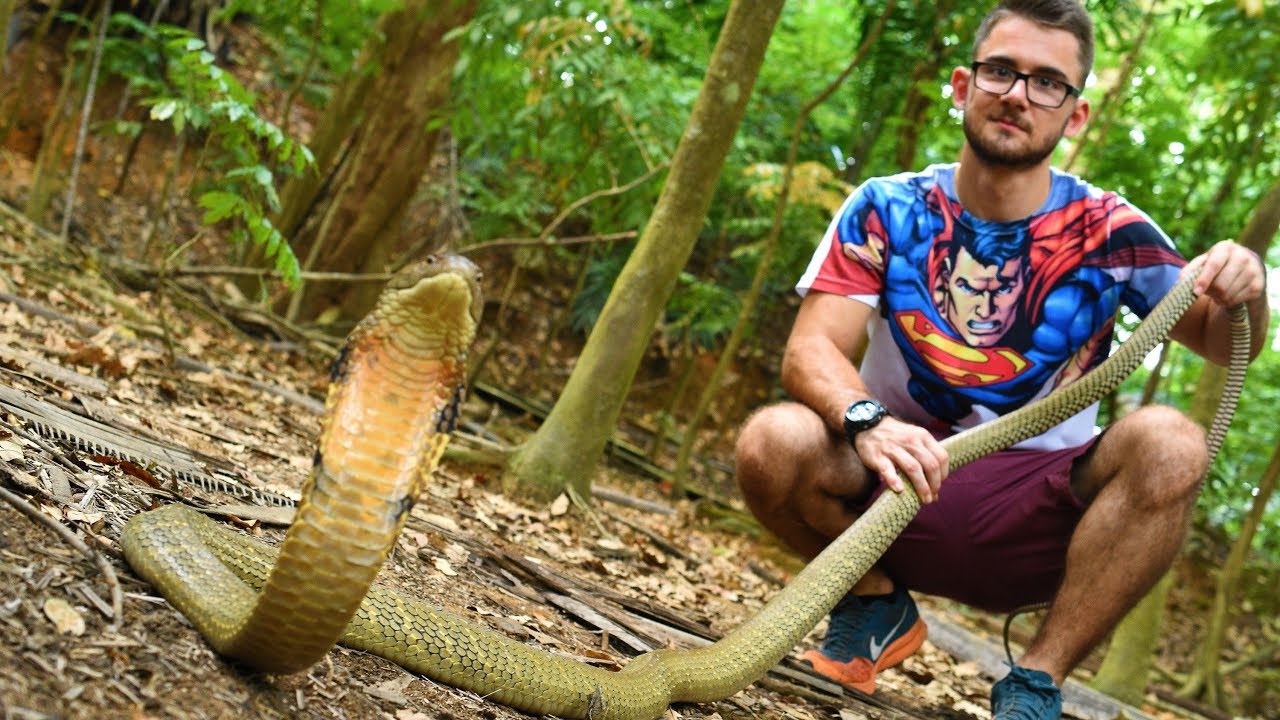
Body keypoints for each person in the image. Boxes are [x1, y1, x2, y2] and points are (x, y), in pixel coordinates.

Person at [732, 1, 1270, 718]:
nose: (1018, 94)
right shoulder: (885, 207)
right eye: (1000, 71)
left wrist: (1248, 288)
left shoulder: (1111, 230)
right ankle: (873, 603)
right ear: (963, 85)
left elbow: (1224, 339)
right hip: (890, 483)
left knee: (1174, 441)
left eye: (1048, 82)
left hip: (1036, 517)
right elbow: (811, 347)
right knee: (771, 439)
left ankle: (1036, 683)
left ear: (1074, 115)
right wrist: (868, 422)